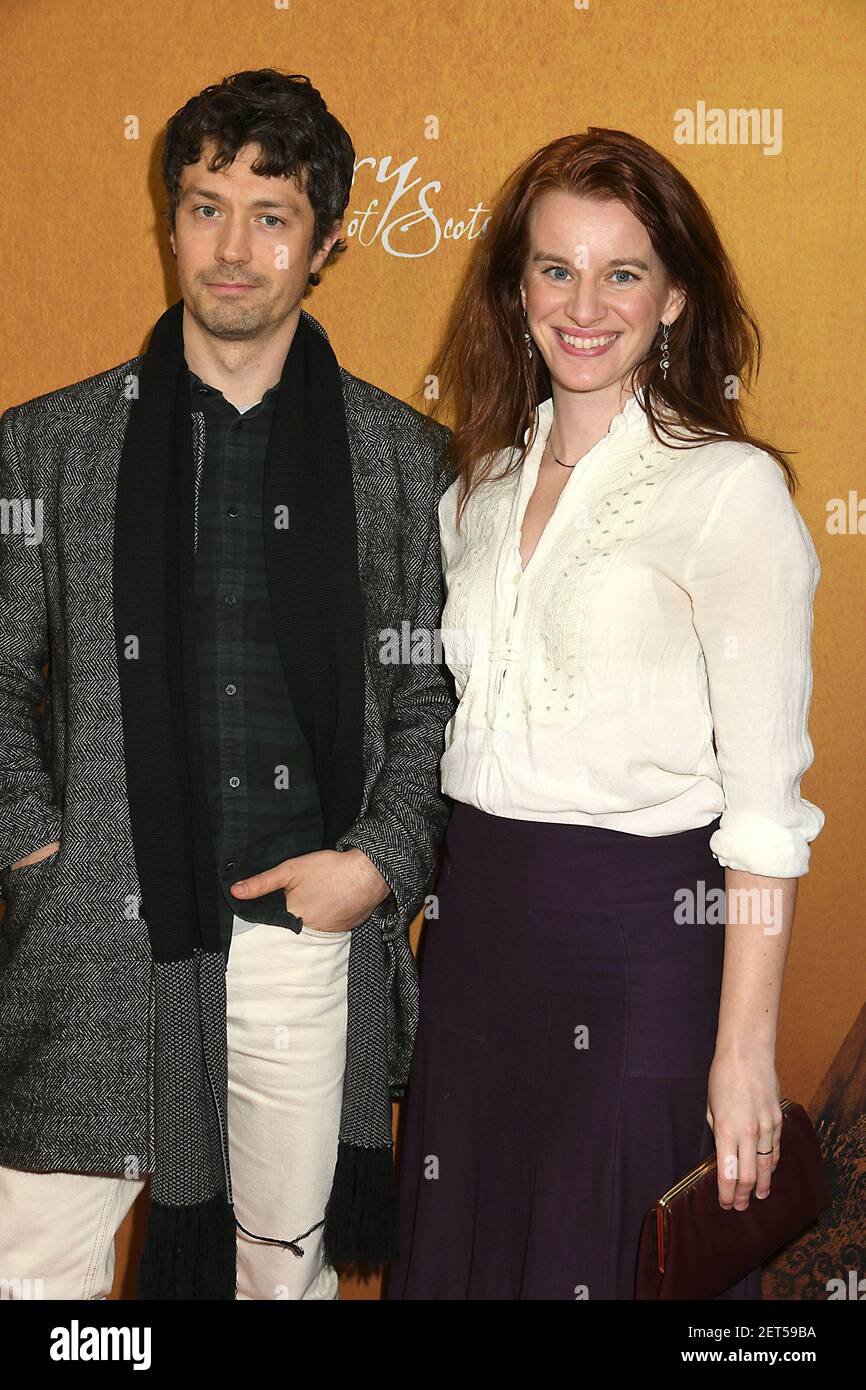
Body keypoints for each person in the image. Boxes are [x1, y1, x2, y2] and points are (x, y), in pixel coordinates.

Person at [0, 68, 456, 1300]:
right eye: (206, 207)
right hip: (95, 933)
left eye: (272, 215)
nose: (233, 248)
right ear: (170, 224)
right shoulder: (46, 444)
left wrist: (379, 861)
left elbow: (430, 701)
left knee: (279, 1274)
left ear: (327, 244)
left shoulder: (405, 461)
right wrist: (39, 841)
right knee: (34, 1276)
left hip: (298, 938)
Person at [385, 128, 825, 1300]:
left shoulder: (728, 493)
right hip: (474, 944)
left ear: (673, 293)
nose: (584, 305)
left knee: (606, 1259)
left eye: (622, 272)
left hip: (641, 948)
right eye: (554, 269)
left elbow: (765, 813)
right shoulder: (472, 485)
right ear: (514, 287)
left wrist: (742, 1052)